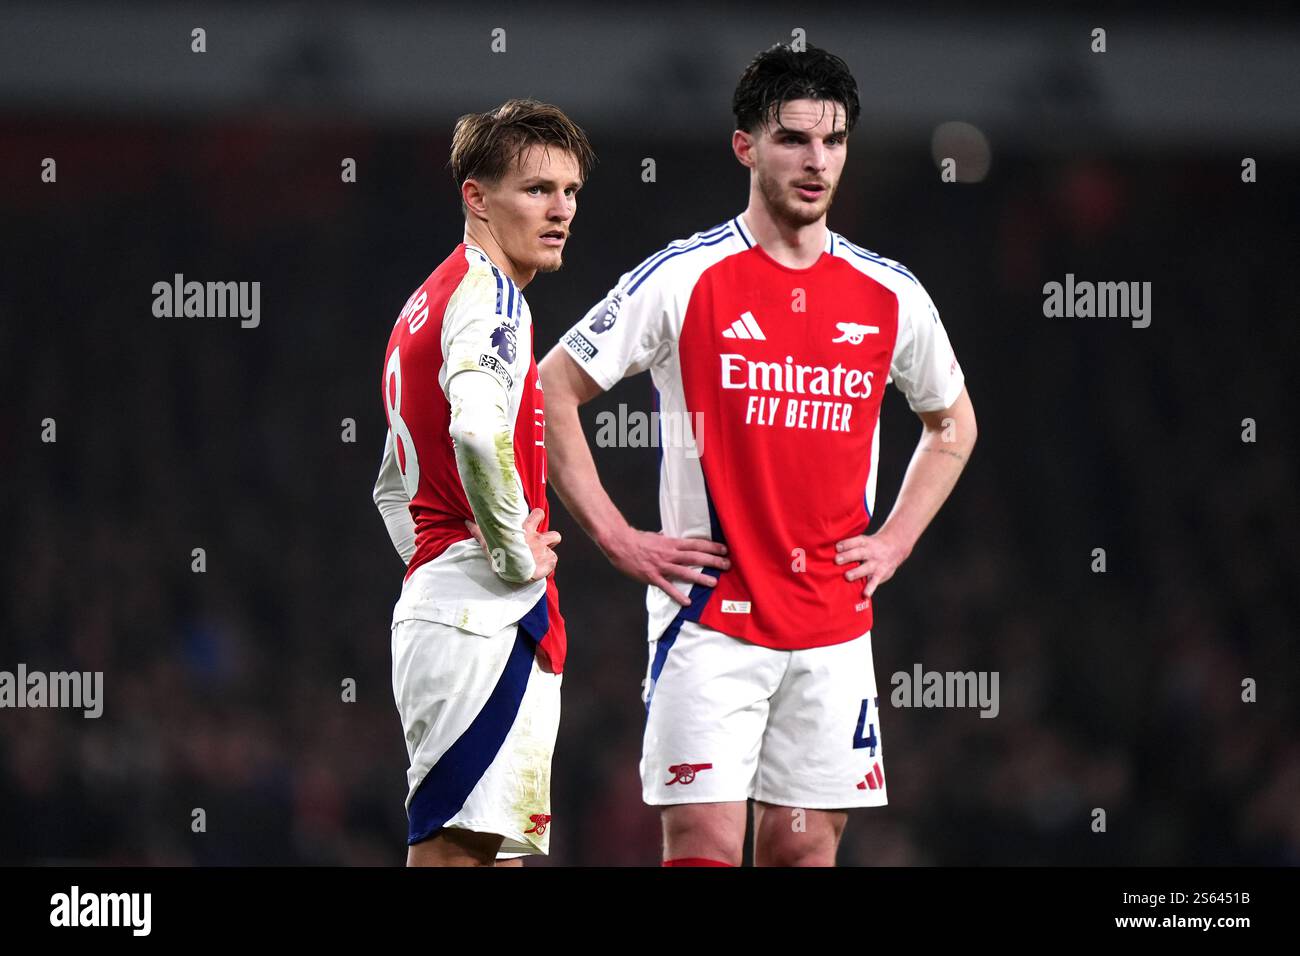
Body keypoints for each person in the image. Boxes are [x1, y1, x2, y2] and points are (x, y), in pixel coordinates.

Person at [539, 45, 976, 866]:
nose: (817, 162)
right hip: (710, 622)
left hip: (834, 627)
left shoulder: (892, 294)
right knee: (704, 844)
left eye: (834, 141)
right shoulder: (685, 276)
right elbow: (550, 391)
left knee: (799, 852)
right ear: (746, 146)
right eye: (794, 140)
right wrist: (619, 538)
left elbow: (952, 426)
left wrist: (896, 539)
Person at [373, 98, 595, 866]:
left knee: (492, 857)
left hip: (460, 612)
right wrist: (506, 556)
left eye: (569, 191)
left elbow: (391, 487)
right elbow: (473, 429)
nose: (560, 209)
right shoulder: (491, 299)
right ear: (477, 196)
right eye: (537, 189)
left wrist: (435, 563)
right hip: (482, 620)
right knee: (453, 856)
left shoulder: (423, 304)